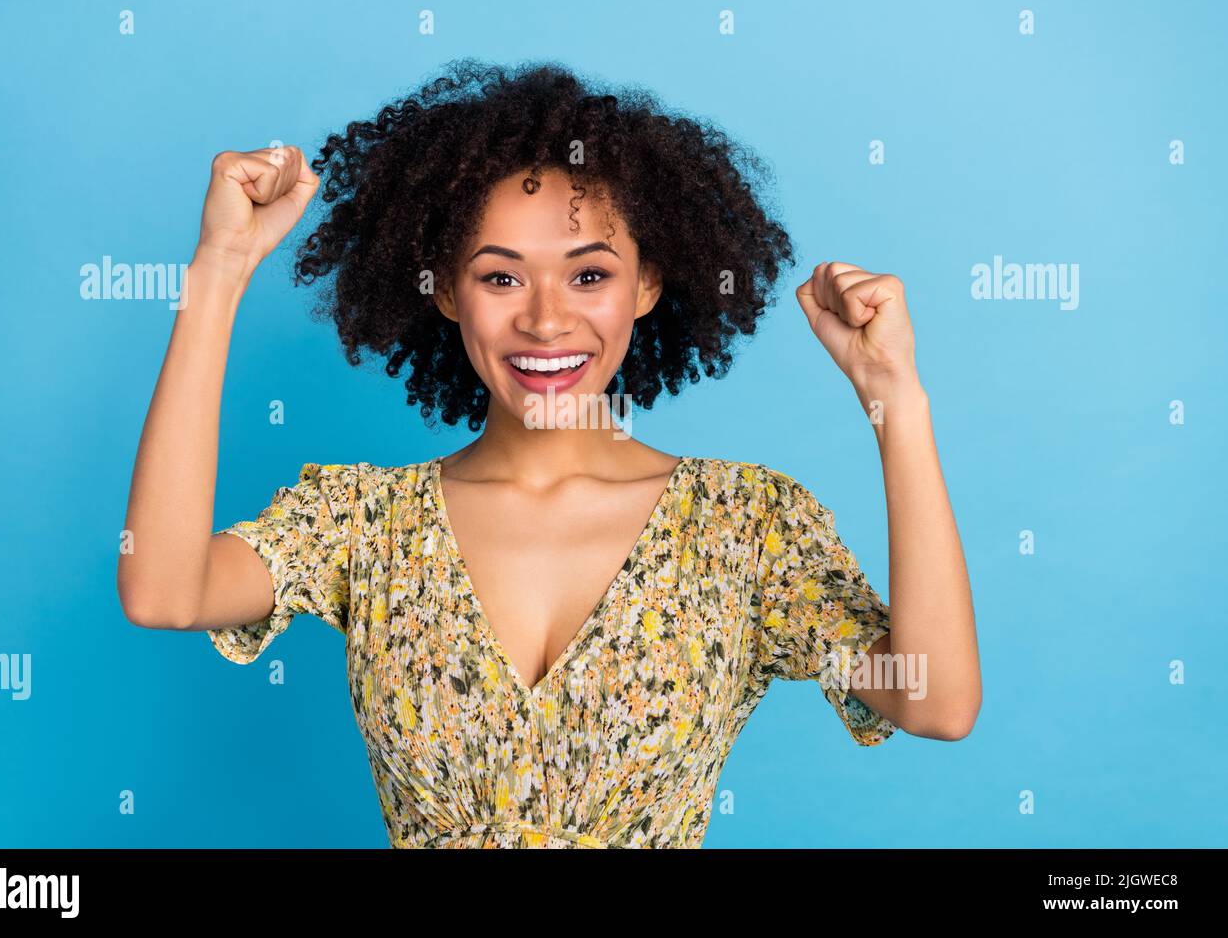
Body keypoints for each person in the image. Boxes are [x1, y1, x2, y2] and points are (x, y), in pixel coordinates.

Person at [117, 60, 980, 848]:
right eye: (500, 277)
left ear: (647, 284)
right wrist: (221, 268)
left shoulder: (743, 527)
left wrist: (896, 400)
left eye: (589, 275)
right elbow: (163, 589)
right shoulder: (363, 522)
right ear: (448, 292)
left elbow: (935, 701)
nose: (544, 319)